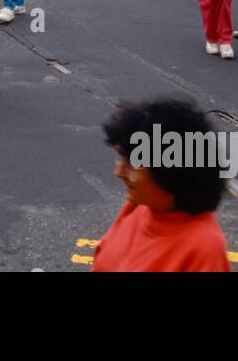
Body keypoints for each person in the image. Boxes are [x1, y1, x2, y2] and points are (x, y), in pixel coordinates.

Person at [93, 98, 230, 272]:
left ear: (170, 171)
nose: (118, 172)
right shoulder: (136, 209)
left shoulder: (203, 249)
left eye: (131, 163)